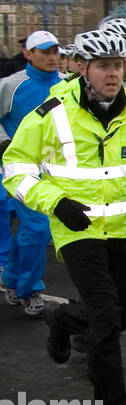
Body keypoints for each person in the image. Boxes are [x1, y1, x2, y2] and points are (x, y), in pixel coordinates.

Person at [2, 29, 126, 405]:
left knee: (121, 318)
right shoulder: (49, 114)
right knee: (104, 318)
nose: (113, 74)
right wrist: (55, 202)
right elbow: (16, 168)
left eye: (119, 66)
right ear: (82, 68)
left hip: (125, 227)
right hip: (77, 231)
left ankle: (62, 318)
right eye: (103, 66)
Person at [0, 30, 64, 315]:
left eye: (55, 52)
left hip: (58, 171)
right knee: (37, 228)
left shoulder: (67, 86)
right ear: (28, 53)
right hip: (22, 169)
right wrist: (4, 142)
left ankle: (12, 278)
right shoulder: (11, 85)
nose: (52, 57)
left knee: (32, 230)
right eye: (45, 51)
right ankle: (31, 290)